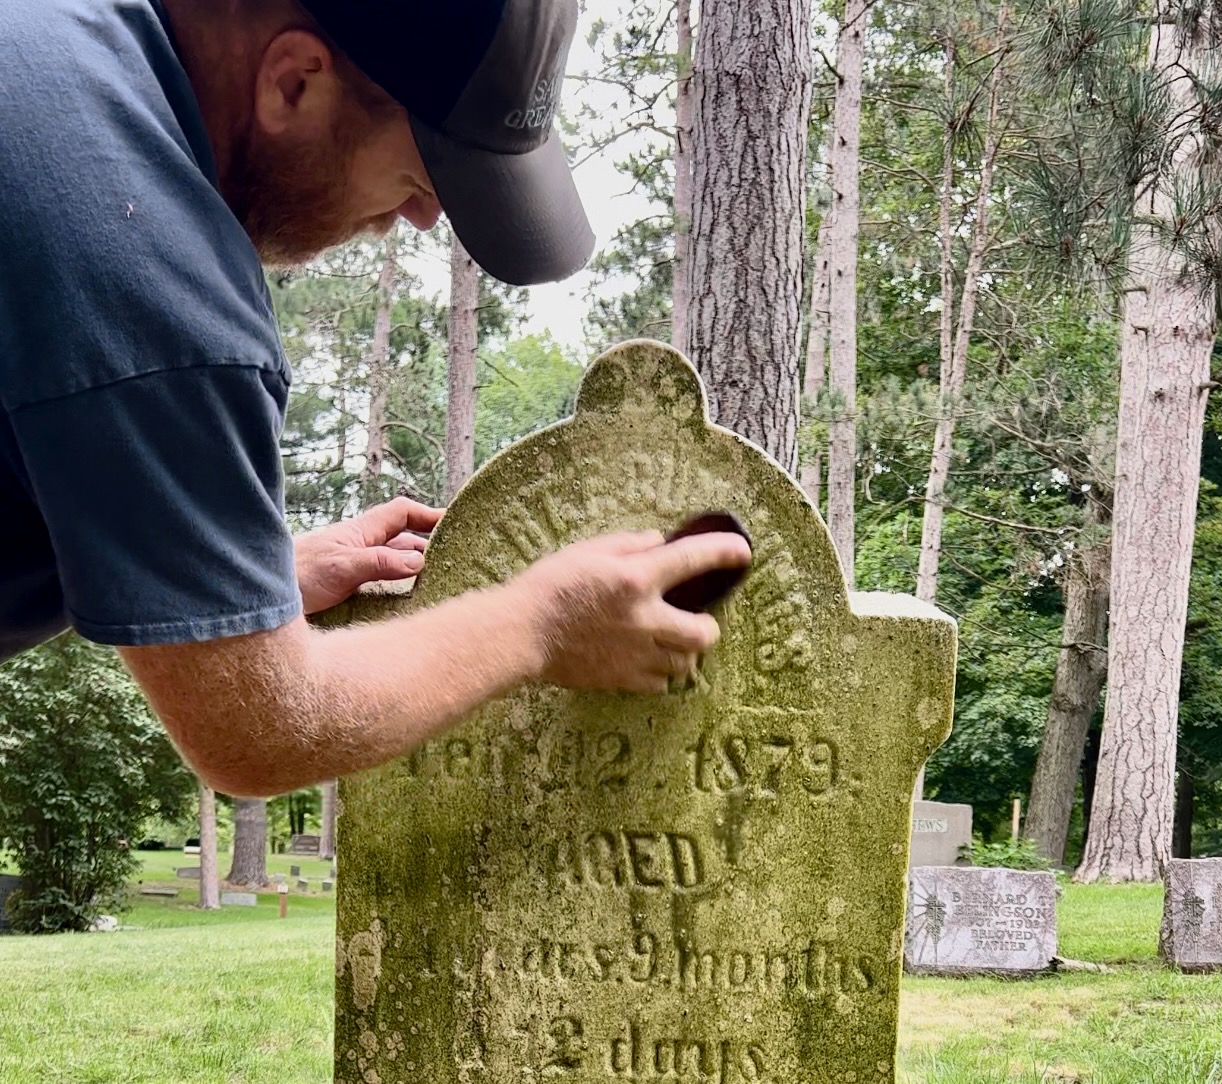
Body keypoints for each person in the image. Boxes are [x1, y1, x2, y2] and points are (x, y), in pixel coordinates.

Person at [0, 0, 751, 797]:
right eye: (424, 170)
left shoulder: (53, 49)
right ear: (293, 83)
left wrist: (246, 591)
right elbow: (264, 730)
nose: (425, 216)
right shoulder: (154, 284)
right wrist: (544, 621)